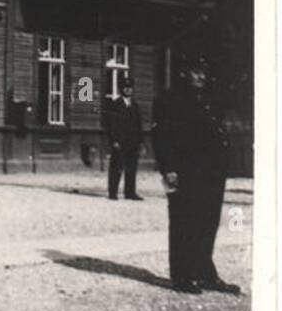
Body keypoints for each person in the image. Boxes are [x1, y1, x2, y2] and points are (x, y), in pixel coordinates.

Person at [152, 67, 241, 295]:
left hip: (211, 173)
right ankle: (182, 276)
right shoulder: (170, 99)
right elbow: (161, 135)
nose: (201, 76)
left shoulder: (209, 98)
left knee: (207, 222)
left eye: (204, 72)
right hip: (184, 172)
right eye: (195, 72)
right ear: (184, 73)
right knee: (183, 222)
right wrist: (168, 168)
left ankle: (204, 273)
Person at [103, 75, 145, 200]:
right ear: (121, 89)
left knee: (131, 168)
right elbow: (111, 125)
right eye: (125, 87)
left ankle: (130, 192)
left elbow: (139, 125)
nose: (128, 90)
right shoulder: (116, 104)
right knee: (116, 167)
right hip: (120, 142)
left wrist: (141, 142)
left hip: (132, 143)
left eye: (130, 87)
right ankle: (113, 192)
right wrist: (114, 141)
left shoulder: (135, 106)